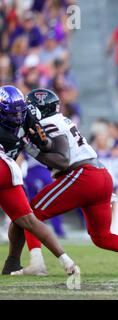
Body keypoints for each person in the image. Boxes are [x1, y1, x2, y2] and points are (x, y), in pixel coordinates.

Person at [11, 88, 118, 276]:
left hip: (81, 174)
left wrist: (32, 151)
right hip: (101, 174)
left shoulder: (49, 122)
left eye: (30, 107)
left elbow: (63, 160)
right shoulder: (62, 120)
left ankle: (37, 263)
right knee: (101, 236)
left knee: (31, 214)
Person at [0, 85, 79, 277]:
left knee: (28, 219)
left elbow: (44, 142)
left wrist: (44, 142)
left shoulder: (27, 117)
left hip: (7, 170)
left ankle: (62, 261)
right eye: (12, 114)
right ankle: (65, 261)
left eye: (20, 112)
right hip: (8, 169)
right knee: (27, 220)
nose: (18, 118)